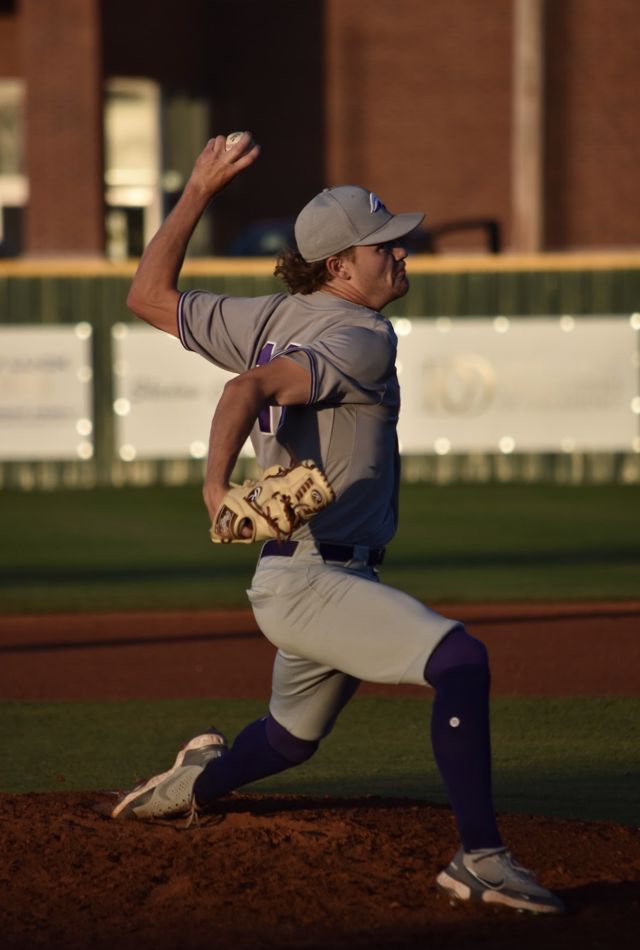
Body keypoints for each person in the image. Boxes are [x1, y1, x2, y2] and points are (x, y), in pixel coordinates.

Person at [111, 132, 563, 916]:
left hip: (315, 573)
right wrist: (216, 488)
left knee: (290, 739)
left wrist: (197, 193)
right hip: (313, 577)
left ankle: (194, 782)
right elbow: (247, 390)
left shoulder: (268, 315)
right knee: (460, 661)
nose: (401, 253)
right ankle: (480, 859)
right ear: (339, 267)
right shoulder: (362, 336)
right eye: (383, 246)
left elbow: (146, 297)